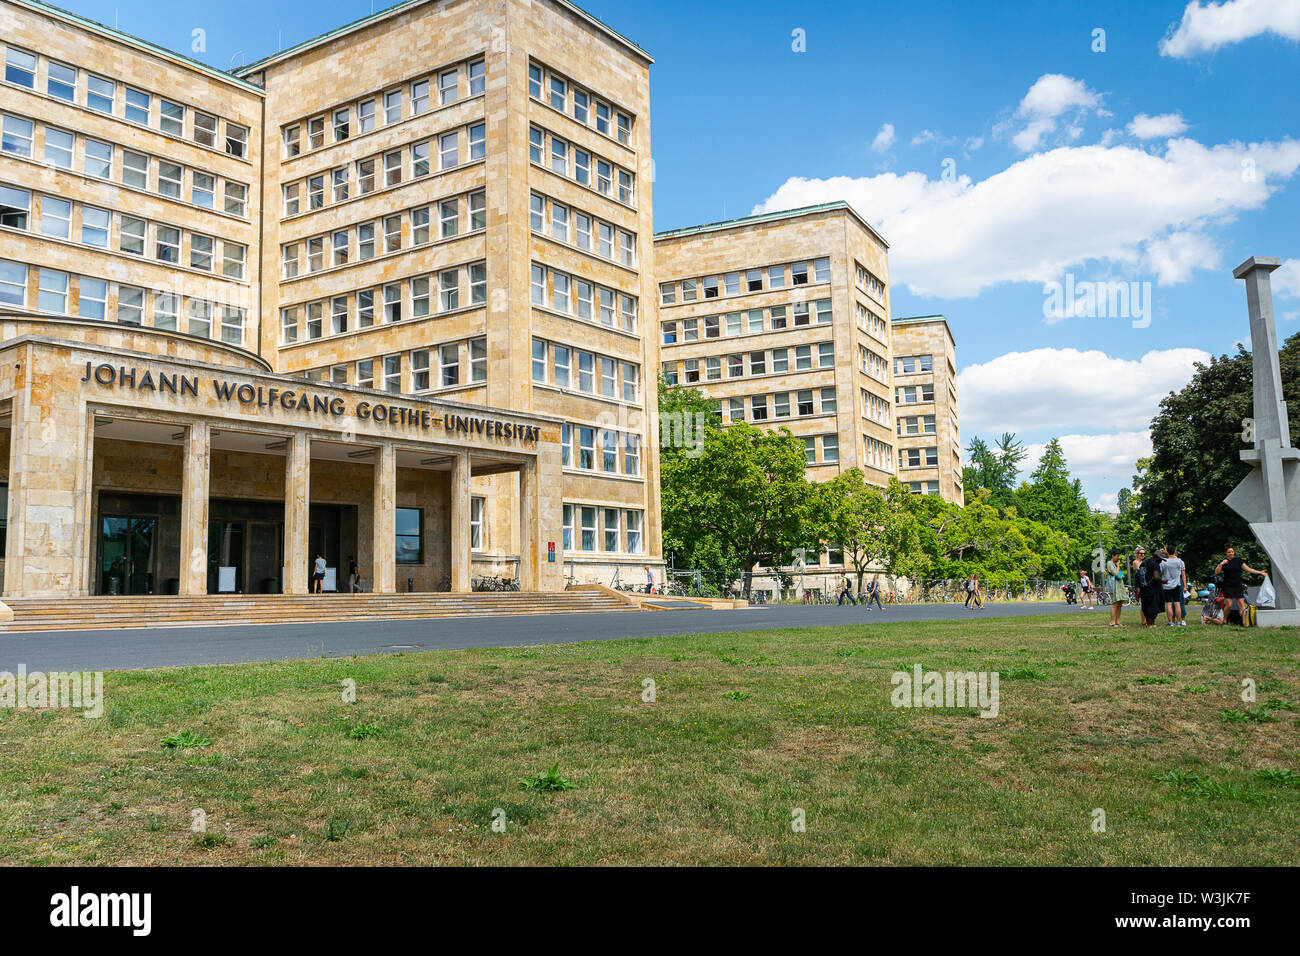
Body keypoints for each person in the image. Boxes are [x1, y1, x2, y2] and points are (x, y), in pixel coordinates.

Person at [1214, 544, 1267, 625]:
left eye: (1232, 552)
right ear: (1226, 553)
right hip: (1228, 586)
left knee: (1241, 604)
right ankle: (1224, 620)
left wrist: (1260, 572)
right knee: (1229, 605)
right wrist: (1221, 564)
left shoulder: (1238, 560)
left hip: (1238, 585)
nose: (1231, 553)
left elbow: (1248, 569)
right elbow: (1216, 572)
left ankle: (1244, 623)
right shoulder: (1224, 562)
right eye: (1229, 552)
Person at [1160, 544, 1187, 626]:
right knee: (1177, 603)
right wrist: (1185, 586)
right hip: (1177, 584)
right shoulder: (1180, 561)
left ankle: (1171, 622)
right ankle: (1179, 622)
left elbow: (1160, 572)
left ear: (1167, 551)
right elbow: (1183, 574)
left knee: (1168, 604)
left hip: (1167, 585)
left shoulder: (1163, 561)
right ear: (1174, 551)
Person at [1106, 550, 1129, 627]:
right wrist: (1118, 566)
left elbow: (1118, 573)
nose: (1118, 557)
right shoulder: (1109, 563)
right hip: (1114, 585)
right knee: (1115, 603)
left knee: (1120, 603)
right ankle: (1112, 622)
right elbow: (1115, 573)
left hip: (1119, 584)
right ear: (1113, 555)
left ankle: (1118, 621)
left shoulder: (1114, 564)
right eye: (1117, 556)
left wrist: (1121, 574)